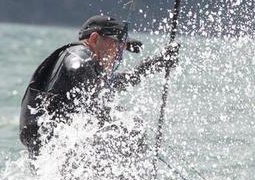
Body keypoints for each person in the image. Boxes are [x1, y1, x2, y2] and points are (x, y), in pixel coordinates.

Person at [19, 14, 178, 156]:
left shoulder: (93, 70)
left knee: (127, 126)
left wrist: (157, 63)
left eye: (123, 47)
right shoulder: (78, 53)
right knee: (129, 128)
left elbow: (115, 82)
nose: (119, 54)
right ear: (94, 39)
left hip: (51, 147)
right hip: (51, 142)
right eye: (116, 45)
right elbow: (77, 66)